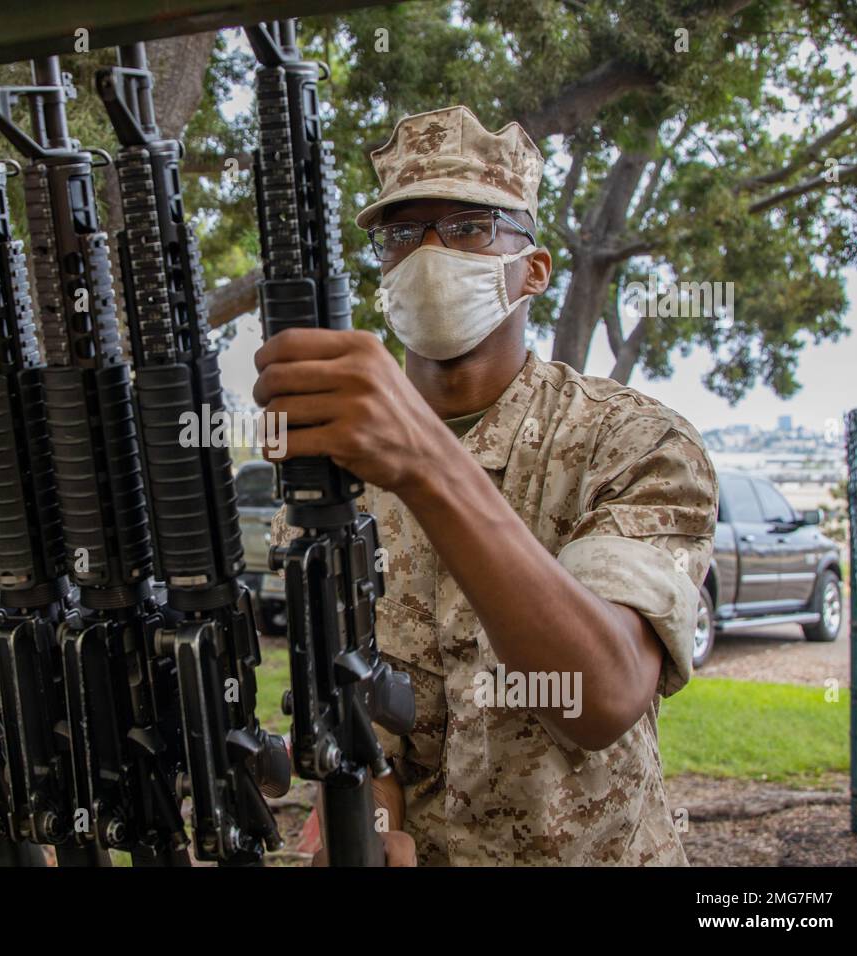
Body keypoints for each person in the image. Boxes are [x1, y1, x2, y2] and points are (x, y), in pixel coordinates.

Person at [255, 105, 717, 866]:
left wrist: (428, 463)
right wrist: (369, 826)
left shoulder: (635, 443)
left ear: (532, 270)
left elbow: (599, 696)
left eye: (469, 227)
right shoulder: (328, 474)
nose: (428, 254)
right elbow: (361, 724)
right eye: (402, 235)